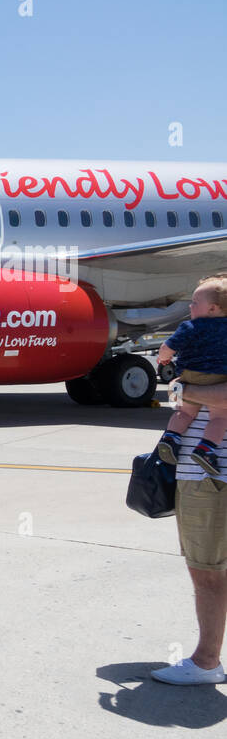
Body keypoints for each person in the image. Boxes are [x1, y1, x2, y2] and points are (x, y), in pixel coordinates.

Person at [152, 373, 227, 684]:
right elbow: (173, 398)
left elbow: (219, 396)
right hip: (200, 475)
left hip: (212, 476)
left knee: (207, 572)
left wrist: (185, 388)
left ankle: (207, 661)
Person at [155, 276, 227, 474]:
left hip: (188, 374)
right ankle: (206, 448)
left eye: (194, 303)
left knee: (184, 412)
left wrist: (164, 361)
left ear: (212, 308)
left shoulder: (188, 327)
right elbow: (173, 396)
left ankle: (170, 437)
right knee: (219, 418)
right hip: (218, 376)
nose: (189, 307)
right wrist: (176, 390)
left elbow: (166, 348)